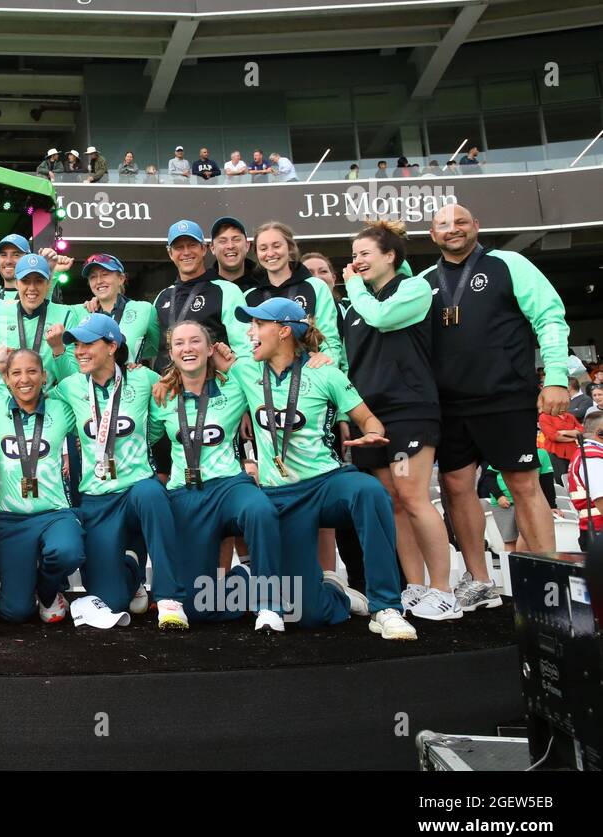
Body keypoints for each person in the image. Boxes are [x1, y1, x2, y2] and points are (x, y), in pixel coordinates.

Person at [228, 298, 416, 639]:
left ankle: (386, 606)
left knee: (371, 491)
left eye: (258, 325)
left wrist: (372, 434)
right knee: (309, 614)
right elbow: (194, 362)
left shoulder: (325, 371)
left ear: (284, 331)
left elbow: (370, 420)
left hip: (327, 483)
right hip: (281, 496)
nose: (250, 332)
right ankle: (336, 593)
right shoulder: (243, 369)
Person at [419, 204, 569, 609]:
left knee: (524, 484)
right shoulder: (423, 282)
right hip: (448, 405)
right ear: (432, 235)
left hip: (505, 396)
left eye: (461, 222)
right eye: (444, 225)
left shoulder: (509, 263)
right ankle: (480, 579)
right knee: (455, 488)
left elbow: (550, 317)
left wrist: (555, 375)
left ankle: (547, 577)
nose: (453, 230)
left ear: (477, 227)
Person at [341, 222, 458, 620]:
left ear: (390, 256)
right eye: (353, 255)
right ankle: (415, 586)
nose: (356, 262)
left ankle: (444, 589)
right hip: (369, 415)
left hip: (409, 409)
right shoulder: (355, 307)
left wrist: (353, 289)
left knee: (412, 496)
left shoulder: (413, 289)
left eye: (364, 254)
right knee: (391, 502)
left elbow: (383, 318)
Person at [148, 322, 285, 631]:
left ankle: (270, 605)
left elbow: (260, 376)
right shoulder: (163, 398)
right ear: (171, 353)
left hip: (228, 485)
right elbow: (143, 439)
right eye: (179, 343)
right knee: (197, 609)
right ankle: (243, 581)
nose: (188, 348)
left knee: (260, 509)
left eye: (196, 341)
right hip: (185, 493)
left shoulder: (234, 386)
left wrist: (231, 362)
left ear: (210, 348)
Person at [54, 314, 183, 623]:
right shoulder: (69, 386)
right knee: (111, 602)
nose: (80, 351)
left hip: (136, 489)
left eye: (88, 344)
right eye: (77, 345)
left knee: (153, 493)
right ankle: (132, 566)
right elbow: (34, 408)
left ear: (112, 346)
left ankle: (168, 598)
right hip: (97, 498)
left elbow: (169, 409)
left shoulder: (144, 378)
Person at [0, 345, 83, 623]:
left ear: (44, 376)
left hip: (54, 513)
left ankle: (49, 589)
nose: (24, 379)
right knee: (15, 613)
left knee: (68, 552)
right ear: (6, 378)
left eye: (32, 372)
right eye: (16, 373)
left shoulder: (61, 407)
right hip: (11, 520)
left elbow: (84, 383)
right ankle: (28, 586)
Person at [151, 220, 250, 374]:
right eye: (179, 247)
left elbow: (245, 349)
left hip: (214, 389)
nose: (186, 252)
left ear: (203, 249)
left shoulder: (227, 291)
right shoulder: (162, 296)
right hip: (168, 390)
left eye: (192, 245)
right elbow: (150, 348)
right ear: (170, 253)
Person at [244, 222, 343, 367]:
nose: (270, 253)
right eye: (263, 248)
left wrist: (325, 364)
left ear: (290, 247)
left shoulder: (315, 287)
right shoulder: (249, 297)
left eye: (277, 246)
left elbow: (330, 340)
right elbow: (247, 347)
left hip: (311, 377)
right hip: (268, 383)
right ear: (257, 253)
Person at [0, 254, 78, 390]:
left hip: (47, 400)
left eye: (39, 281)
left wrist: (58, 349)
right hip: (6, 398)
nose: (32, 287)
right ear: (16, 283)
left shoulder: (66, 316)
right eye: (25, 281)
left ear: (48, 284)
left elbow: (72, 380)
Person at [79, 253, 161, 365]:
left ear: (121, 279)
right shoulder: (84, 313)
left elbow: (157, 348)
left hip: (129, 381)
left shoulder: (144, 309)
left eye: (105, 274)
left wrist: (136, 362)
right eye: (93, 277)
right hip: (90, 382)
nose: (99, 281)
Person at [568, 409, 603, 551]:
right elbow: (601, 499)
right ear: (600, 433)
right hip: (599, 531)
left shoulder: (591, 454)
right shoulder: (592, 457)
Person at [208, 216, 259, 293]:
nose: (230, 246)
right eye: (223, 241)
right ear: (212, 248)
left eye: (236, 239)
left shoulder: (264, 285)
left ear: (247, 245)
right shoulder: (202, 287)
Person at [539, 404, 582, 481]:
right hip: (556, 454)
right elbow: (554, 436)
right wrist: (574, 436)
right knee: (561, 480)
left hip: (573, 453)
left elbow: (582, 431)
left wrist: (564, 432)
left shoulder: (570, 416)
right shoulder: (544, 416)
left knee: (575, 480)